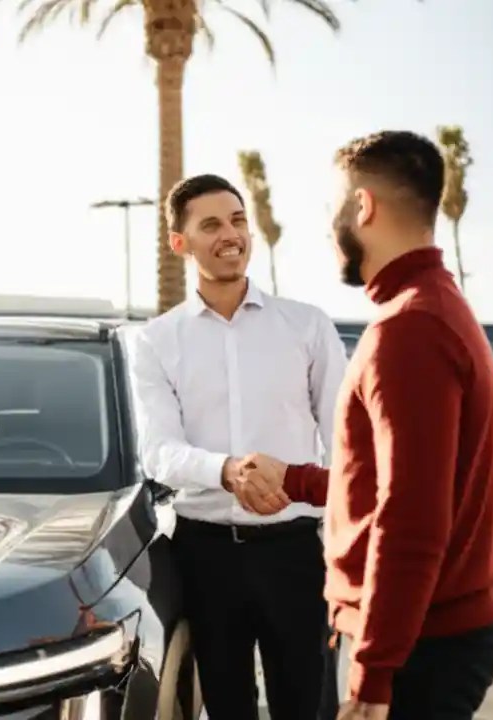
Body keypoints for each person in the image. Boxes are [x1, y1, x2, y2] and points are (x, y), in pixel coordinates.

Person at [238, 130, 493, 719]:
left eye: (334, 205)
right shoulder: (433, 308)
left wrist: (373, 678)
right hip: (427, 637)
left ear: (363, 206)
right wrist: (299, 480)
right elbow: (394, 486)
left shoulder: (409, 328)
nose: (329, 226)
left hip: (420, 648)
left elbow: (410, 517)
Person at [128, 173, 347, 719]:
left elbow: (346, 444)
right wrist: (228, 471)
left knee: (310, 707)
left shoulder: (307, 326)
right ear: (180, 243)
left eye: (237, 219)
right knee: (226, 709)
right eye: (210, 225)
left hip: (297, 552)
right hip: (205, 557)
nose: (231, 234)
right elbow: (159, 452)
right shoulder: (155, 342)